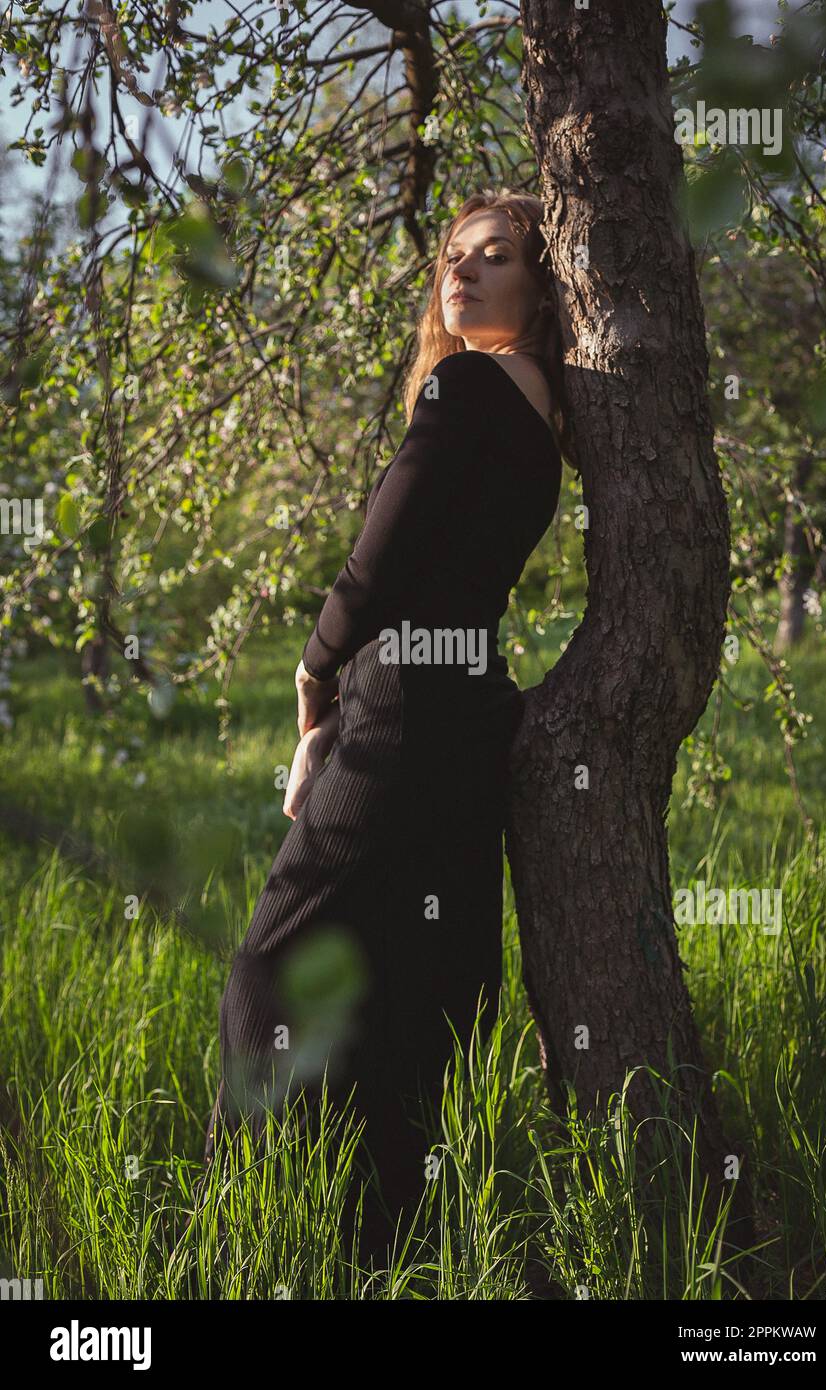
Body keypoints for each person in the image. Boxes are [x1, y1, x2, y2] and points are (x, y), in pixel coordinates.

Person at [202, 189, 571, 1265]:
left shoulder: (463, 385)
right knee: (417, 986)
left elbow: (377, 560)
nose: (460, 274)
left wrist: (313, 683)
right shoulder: (542, 417)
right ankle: (387, 1247)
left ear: (538, 289)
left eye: (493, 258)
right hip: (469, 716)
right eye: (453, 258)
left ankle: (253, 1234)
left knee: (268, 971)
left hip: (397, 707)